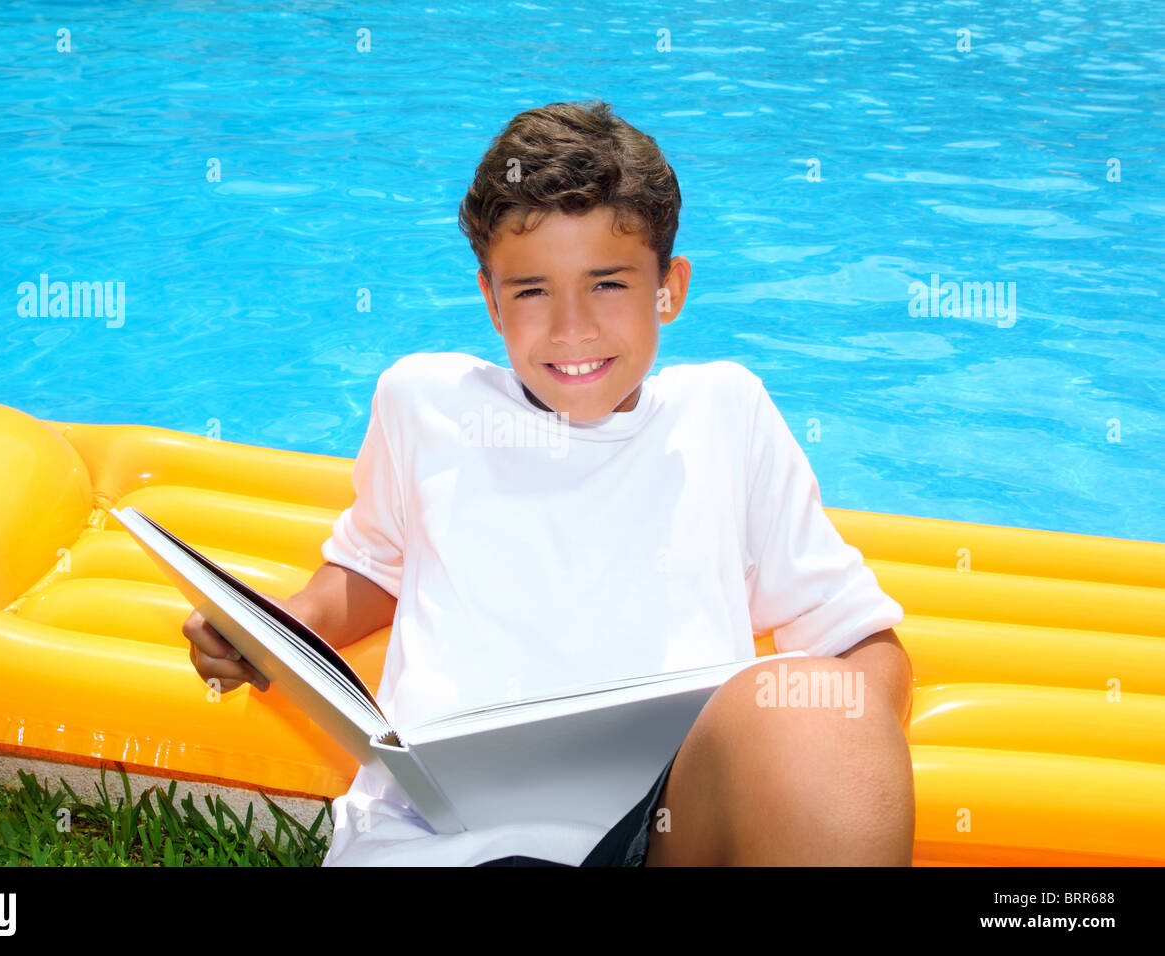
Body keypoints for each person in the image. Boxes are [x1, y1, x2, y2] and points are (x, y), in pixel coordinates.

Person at [183, 100, 914, 867]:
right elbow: (370, 572)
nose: (571, 328)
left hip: (654, 840)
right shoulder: (424, 403)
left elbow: (861, 643)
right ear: (492, 300)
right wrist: (272, 634)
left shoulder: (726, 416)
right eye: (532, 291)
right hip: (436, 844)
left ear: (670, 288)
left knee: (817, 711)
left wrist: (835, 737)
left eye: (607, 285)